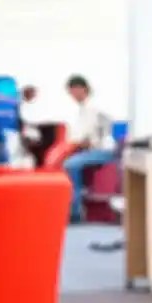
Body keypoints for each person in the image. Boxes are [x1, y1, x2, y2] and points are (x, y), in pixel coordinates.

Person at [60, 75, 114, 222]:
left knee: (70, 164)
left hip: (105, 150)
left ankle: (75, 212)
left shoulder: (92, 107)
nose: (72, 96)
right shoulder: (85, 107)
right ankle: (74, 203)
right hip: (96, 148)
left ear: (81, 89)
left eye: (72, 92)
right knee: (70, 161)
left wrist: (73, 144)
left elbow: (85, 135)